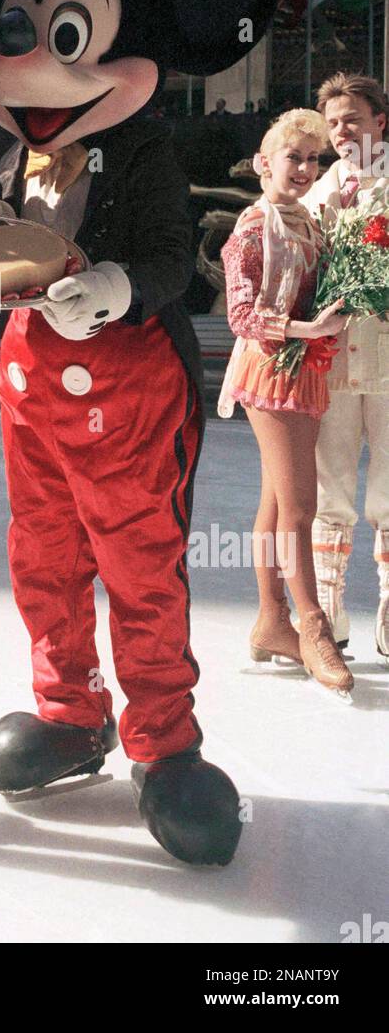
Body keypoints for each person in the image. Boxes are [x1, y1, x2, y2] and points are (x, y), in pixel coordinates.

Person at [0, 0, 283, 866]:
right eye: (15, 37)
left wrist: (109, 288)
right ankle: (69, 711)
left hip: (130, 392)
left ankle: (162, 743)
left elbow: (159, 257)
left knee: (140, 572)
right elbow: (16, 244)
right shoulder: (17, 151)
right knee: (43, 557)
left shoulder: (140, 146)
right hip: (29, 384)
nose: (34, 66)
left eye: (62, 36)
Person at [219, 109, 352, 697]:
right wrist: (307, 330)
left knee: (277, 502)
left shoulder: (310, 224)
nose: (303, 168)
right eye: (292, 157)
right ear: (262, 163)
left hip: (305, 369)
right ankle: (312, 624)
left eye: (312, 159)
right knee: (301, 504)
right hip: (273, 368)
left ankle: (271, 620)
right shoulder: (253, 228)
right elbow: (242, 316)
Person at [304, 73, 389, 663]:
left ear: (380, 121)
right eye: (333, 122)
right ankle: (328, 609)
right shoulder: (316, 188)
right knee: (329, 489)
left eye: (353, 119)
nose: (342, 131)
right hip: (333, 361)